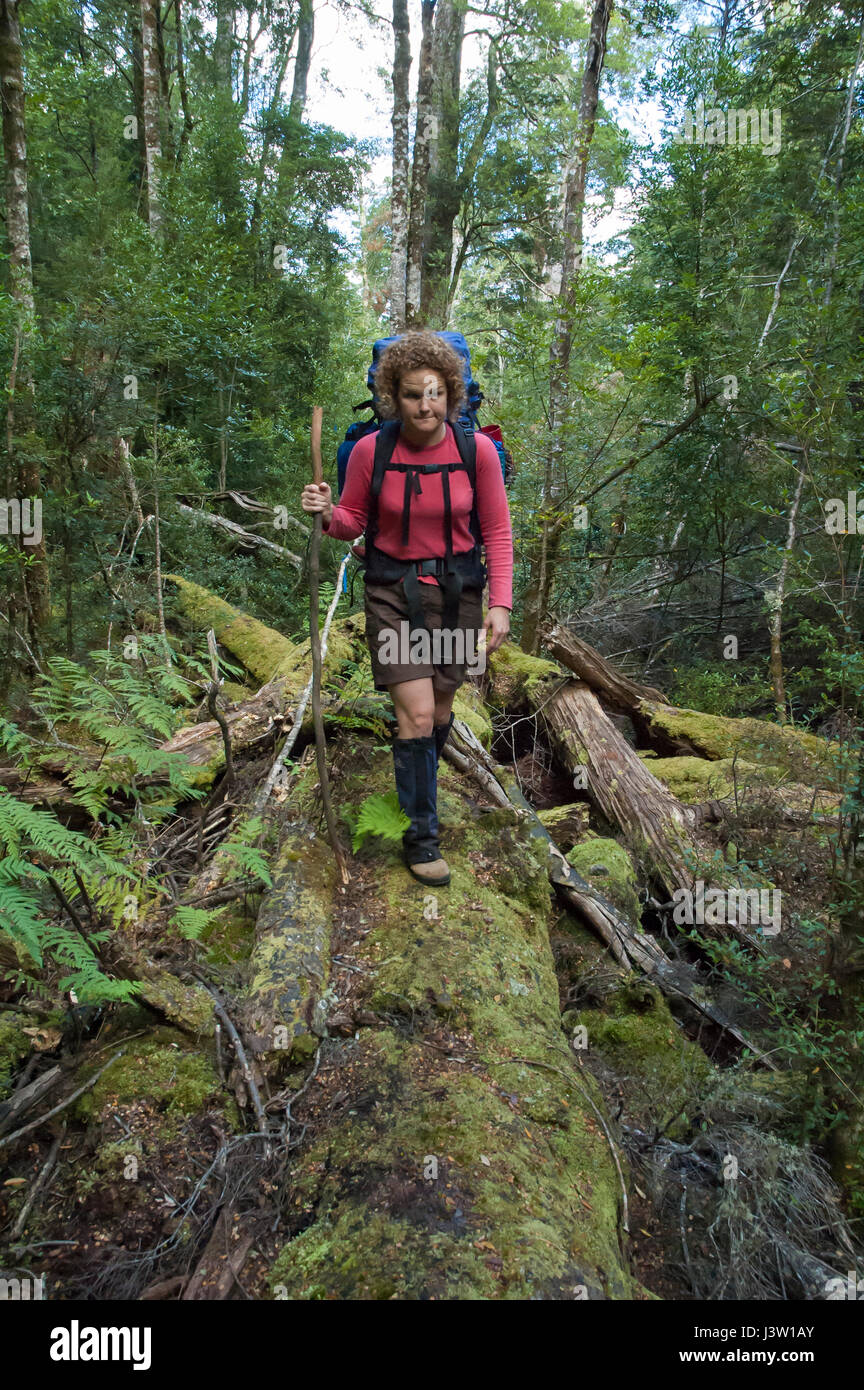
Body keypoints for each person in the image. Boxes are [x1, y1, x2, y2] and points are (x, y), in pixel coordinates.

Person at [301, 330, 513, 887]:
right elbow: (352, 522)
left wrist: (501, 603)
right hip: (393, 592)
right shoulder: (373, 450)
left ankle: (423, 784)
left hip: (459, 594)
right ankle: (422, 834)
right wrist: (327, 512)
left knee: (441, 713)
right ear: (393, 396)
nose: (426, 405)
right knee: (416, 714)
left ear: (452, 394)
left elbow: (496, 530)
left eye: (436, 393)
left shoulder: (479, 452)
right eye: (414, 394)